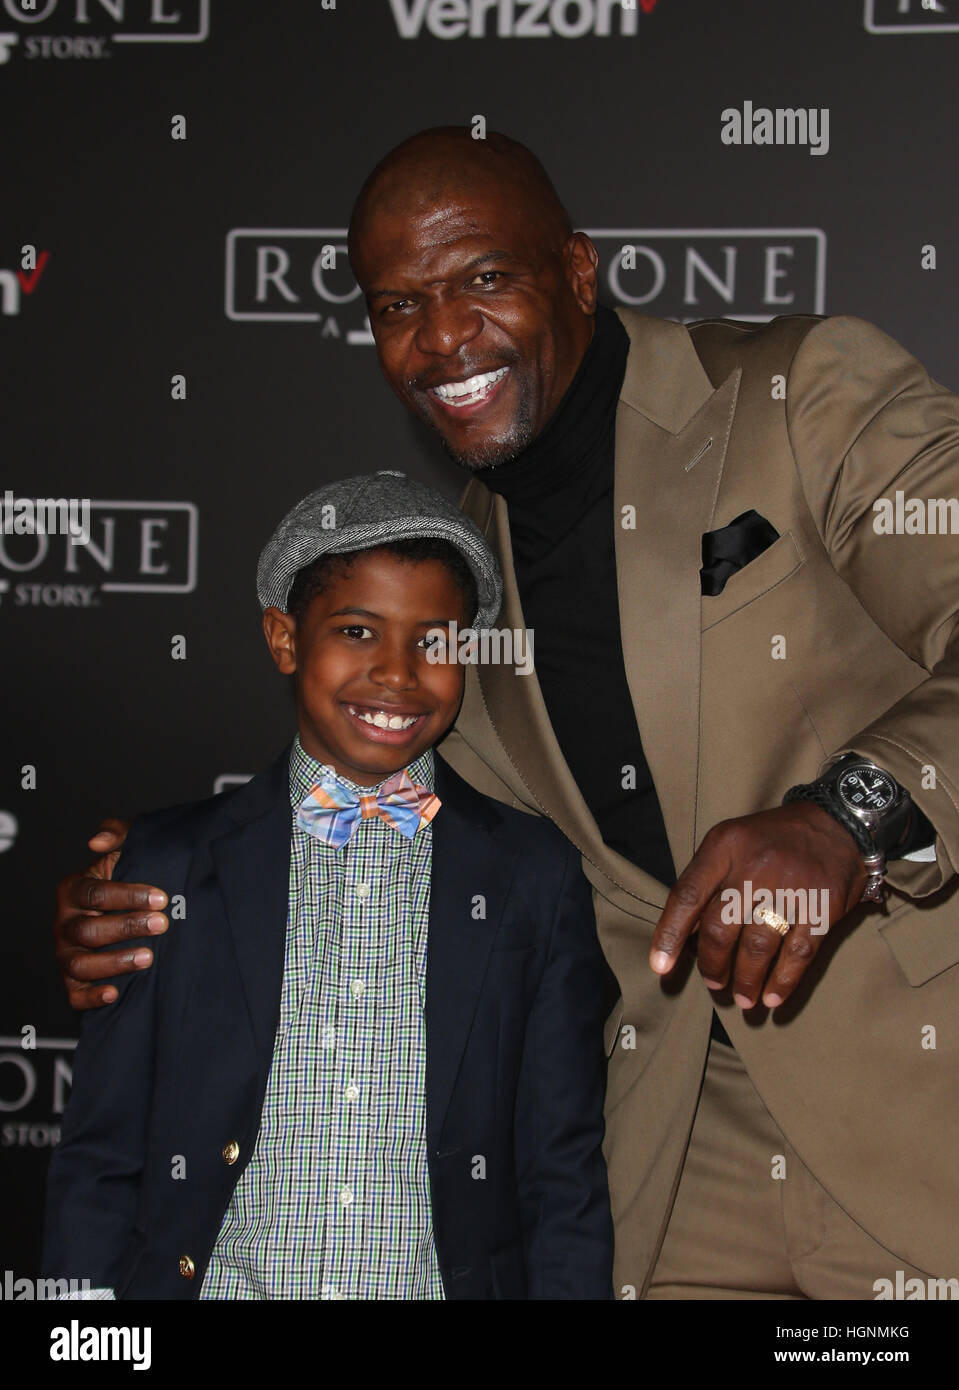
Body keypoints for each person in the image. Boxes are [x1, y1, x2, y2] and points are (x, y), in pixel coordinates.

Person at [54, 127, 959, 1299]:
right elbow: (381, 810)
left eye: (483, 278)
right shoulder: (450, 584)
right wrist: (149, 894)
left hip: (916, 1108)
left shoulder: (797, 393)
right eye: (396, 304)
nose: (440, 337)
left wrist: (849, 813)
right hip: (663, 1168)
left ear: (577, 271)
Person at [43, 470, 614, 1301]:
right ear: (284, 639)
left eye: (435, 641)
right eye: (356, 631)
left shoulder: (534, 876)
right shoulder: (169, 864)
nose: (397, 673)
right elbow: (100, 1157)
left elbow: (560, 1169)